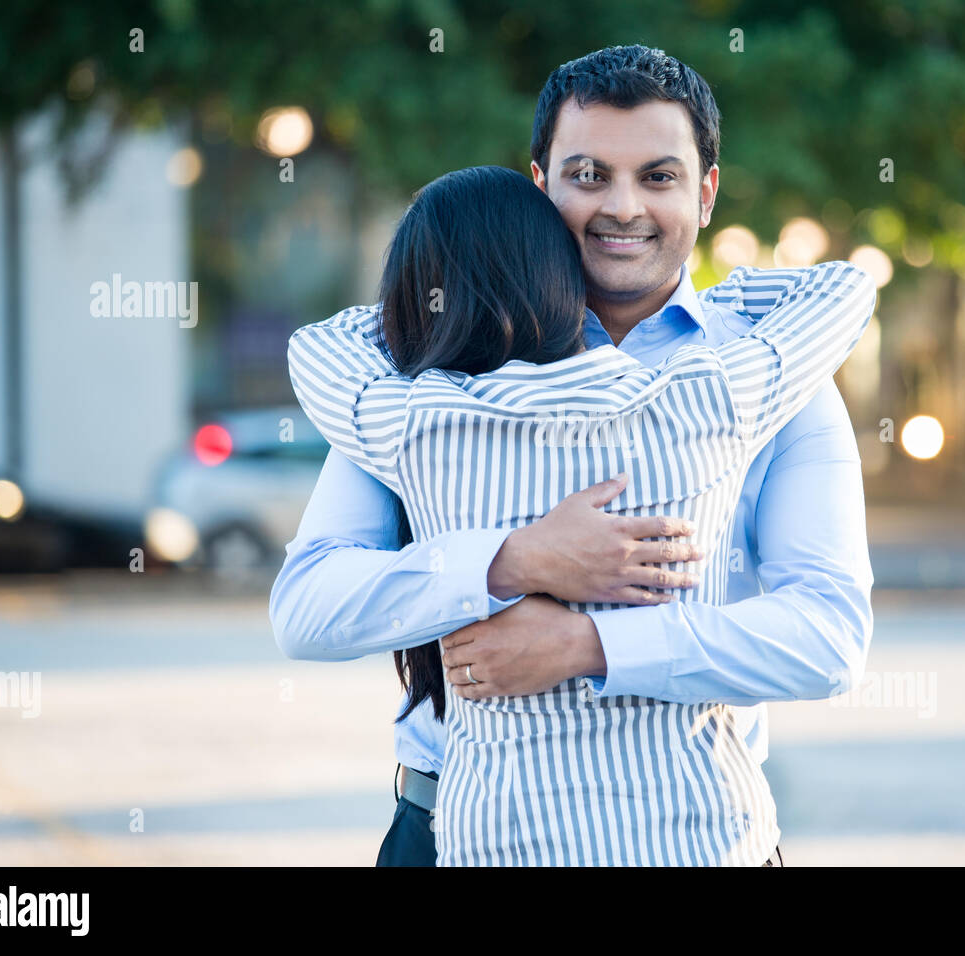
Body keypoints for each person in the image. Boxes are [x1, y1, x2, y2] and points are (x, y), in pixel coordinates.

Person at [270, 45, 877, 866]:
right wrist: (512, 560)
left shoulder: (770, 374)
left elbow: (828, 638)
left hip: (688, 835)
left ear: (705, 192)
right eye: (589, 174)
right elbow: (309, 606)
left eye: (658, 177)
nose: (622, 206)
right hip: (452, 824)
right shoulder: (443, 366)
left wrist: (593, 650)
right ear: (540, 184)